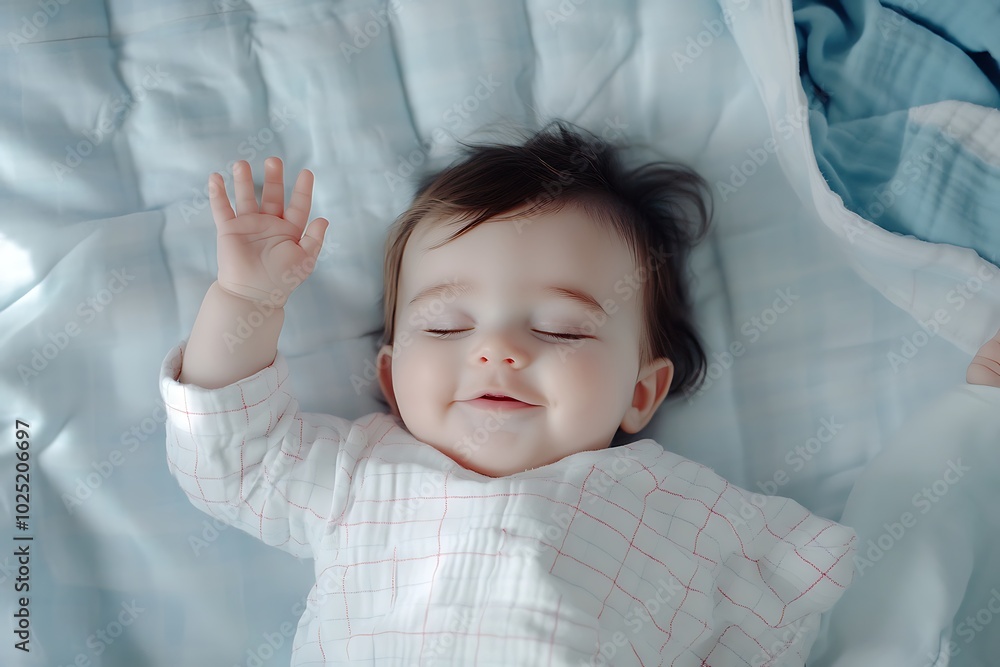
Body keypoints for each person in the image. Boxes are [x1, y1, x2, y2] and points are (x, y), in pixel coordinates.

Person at [163, 121, 1000, 665]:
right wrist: (247, 302)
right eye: (447, 325)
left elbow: (807, 631)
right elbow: (232, 459)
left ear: (642, 391)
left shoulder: (679, 508)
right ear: (388, 379)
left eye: (561, 331)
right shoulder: (359, 474)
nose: (496, 350)